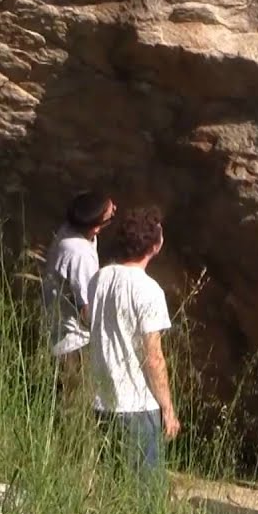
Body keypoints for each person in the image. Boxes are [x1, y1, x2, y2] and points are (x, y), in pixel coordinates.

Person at [86, 206, 179, 486]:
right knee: (145, 493)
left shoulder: (99, 279)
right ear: (154, 246)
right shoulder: (149, 291)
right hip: (137, 405)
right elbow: (153, 358)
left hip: (102, 399)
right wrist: (168, 408)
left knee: (112, 487)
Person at [41, 190, 115, 401]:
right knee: (72, 409)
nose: (115, 211)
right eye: (111, 215)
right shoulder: (79, 254)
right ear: (96, 227)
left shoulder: (71, 230)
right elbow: (87, 311)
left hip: (63, 338)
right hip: (74, 346)